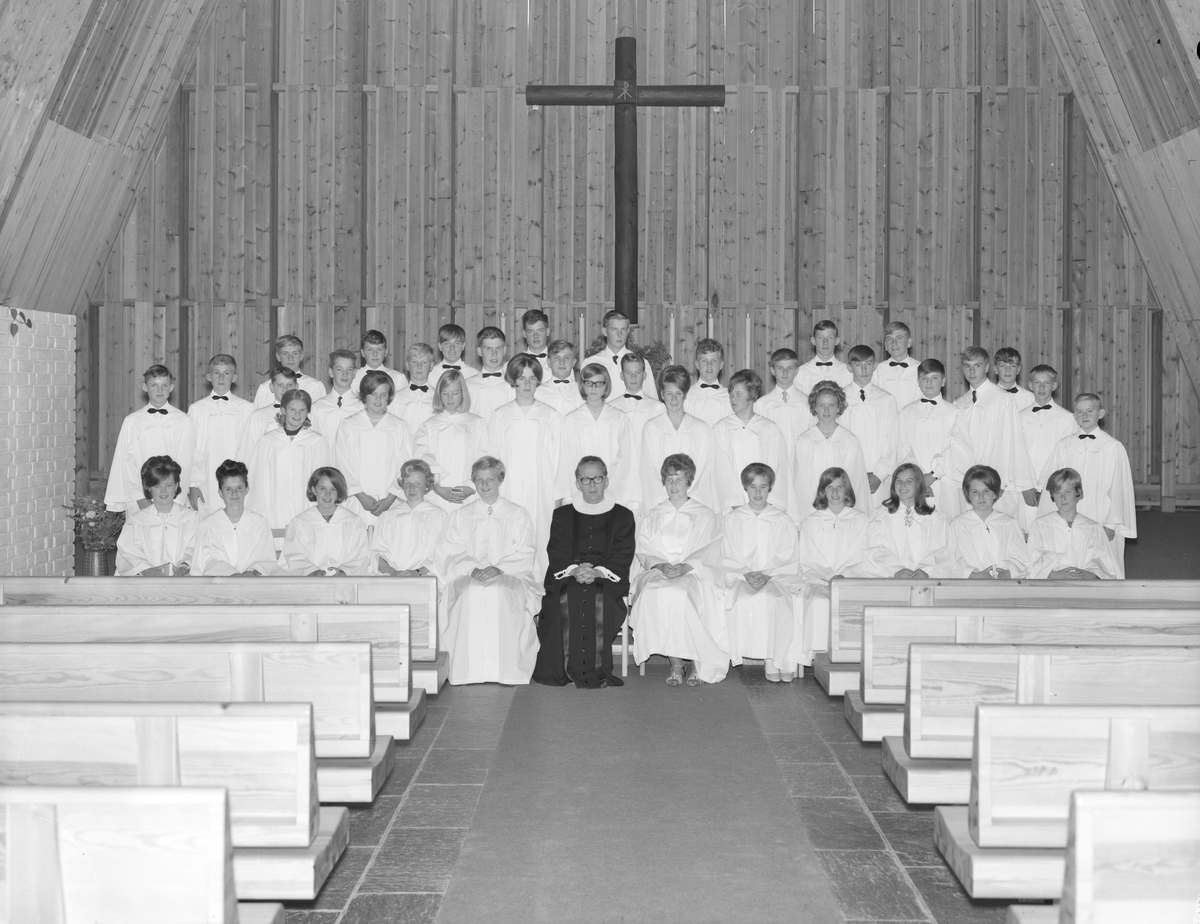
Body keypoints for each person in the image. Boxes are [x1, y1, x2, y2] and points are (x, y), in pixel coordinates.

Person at [533, 456, 637, 689]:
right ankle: (560, 671)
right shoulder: (562, 515)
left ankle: (596, 671)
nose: (592, 484)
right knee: (566, 594)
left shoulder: (623, 516)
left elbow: (623, 553)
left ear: (606, 481)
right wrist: (575, 570)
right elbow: (557, 551)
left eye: (597, 478)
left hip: (607, 579)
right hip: (567, 576)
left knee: (597, 595)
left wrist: (598, 573)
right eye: (585, 479)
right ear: (577, 483)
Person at [437, 457, 542, 685]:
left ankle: (507, 671)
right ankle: (467, 671)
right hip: (468, 574)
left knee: (501, 593)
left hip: (509, 574)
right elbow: (449, 551)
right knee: (470, 593)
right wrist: (472, 568)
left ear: (500, 479)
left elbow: (526, 551)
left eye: (490, 479)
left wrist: (500, 568)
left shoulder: (517, 514)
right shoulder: (461, 515)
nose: (485, 485)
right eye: (479, 480)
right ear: (473, 481)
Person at [629, 453, 728, 686]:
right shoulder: (654, 514)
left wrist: (685, 566)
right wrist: (660, 564)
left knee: (681, 595)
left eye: (679, 479)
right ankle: (675, 663)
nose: (674, 485)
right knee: (655, 593)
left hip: (693, 572)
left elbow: (709, 549)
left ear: (689, 481)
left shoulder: (703, 514)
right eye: (669, 479)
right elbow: (644, 547)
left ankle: (695, 661)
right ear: (663, 481)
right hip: (658, 571)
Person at [1035, 393, 1136, 576]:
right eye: (1079, 412)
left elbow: (1119, 488)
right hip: (1069, 514)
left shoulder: (1112, 447)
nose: (1085, 416)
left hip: (1101, 514)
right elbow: (1054, 485)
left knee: (1104, 564)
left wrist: (1111, 523)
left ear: (1101, 413)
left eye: (1090, 411)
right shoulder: (1065, 445)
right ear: (1074, 416)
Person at [722, 463, 802, 683]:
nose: (758, 493)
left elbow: (787, 554)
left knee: (775, 599)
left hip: (775, 576)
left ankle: (778, 660)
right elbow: (728, 552)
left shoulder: (781, 519)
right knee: (746, 598)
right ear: (745, 488)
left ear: (770, 488)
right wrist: (745, 573)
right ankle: (768, 657)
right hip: (742, 577)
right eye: (753, 487)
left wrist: (767, 574)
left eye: (763, 487)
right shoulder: (733, 519)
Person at [488, 354, 566, 578]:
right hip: (510, 489)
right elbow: (494, 458)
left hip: (541, 491)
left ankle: (542, 597)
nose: (527, 384)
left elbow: (559, 458)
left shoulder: (550, 415)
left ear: (539, 381)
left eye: (532, 379)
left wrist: (558, 496)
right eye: (521, 378)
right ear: (513, 380)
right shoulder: (501, 415)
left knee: (541, 541)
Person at [795, 468, 870, 665]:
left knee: (855, 605)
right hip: (820, 581)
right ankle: (820, 657)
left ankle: (852, 657)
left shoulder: (861, 520)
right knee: (819, 602)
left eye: (839, 487)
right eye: (830, 487)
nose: (835, 492)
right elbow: (808, 555)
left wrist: (845, 576)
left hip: (851, 581)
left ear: (847, 490)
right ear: (823, 491)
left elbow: (862, 553)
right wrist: (828, 576)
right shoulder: (812, 521)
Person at [952, 346, 1035, 520]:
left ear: (988, 368)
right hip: (968, 483)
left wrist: (1002, 481)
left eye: (977, 365)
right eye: (967, 366)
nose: (972, 371)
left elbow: (1013, 441)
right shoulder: (960, 404)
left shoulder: (1002, 398)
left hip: (998, 482)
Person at [104, 365, 197, 513]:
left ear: (171, 387)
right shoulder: (132, 421)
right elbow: (125, 462)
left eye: (164, 385)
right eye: (154, 385)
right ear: (145, 387)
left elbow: (186, 461)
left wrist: (175, 497)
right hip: (140, 498)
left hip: (172, 495)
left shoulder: (184, 421)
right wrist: (141, 497)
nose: (160, 390)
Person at [245, 389, 331, 532]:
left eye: (302, 410)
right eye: (292, 409)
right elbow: (256, 479)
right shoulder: (268, 441)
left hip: (305, 506)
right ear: (283, 410)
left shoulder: (317, 441)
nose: (297, 415)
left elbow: (324, 481)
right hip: (274, 508)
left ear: (308, 412)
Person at [335, 370, 413, 523]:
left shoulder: (400, 427)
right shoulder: (349, 425)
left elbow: (405, 465)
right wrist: (360, 496)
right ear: (364, 396)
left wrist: (389, 499)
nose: (378, 399)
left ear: (389, 397)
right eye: (373, 394)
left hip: (391, 502)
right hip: (356, 501)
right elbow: (342, 463)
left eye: (383, 395)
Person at [790, 380, 872, 524]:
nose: (826, 410)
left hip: (844, 512)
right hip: (814, 512)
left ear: (839, 407)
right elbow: (801, 481)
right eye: (821, 405)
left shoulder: (850, 440)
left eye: (831, 405)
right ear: (814, 407)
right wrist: (814, 512)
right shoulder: (804, 441)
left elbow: (856, 479)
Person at [896, 359, 969, 520]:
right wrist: (919, 478)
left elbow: (958, 450)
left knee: (946, 525)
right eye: (924, 378)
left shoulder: (954, 413)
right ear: (918, 382)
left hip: (946, 480)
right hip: (914, 482)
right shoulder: (907, 412)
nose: (929, 382)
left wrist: (934, 475)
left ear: (943, 381)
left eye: (934, 378)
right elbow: (903, 448)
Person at [639, 365, 717, 513]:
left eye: (678, 393)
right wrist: (667, 499)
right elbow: (649, 469)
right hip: (662, 503)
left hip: (694, 504)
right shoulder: (652, 428)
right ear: (662, 394)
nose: (674, 399)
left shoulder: (700, 429)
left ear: (685, 395)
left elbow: (703, 469)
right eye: (669, 393)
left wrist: (685, 499)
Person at [711, 369, 789, 514]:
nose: (733, 399)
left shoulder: (769, 429)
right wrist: (737, 505)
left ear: (752, 395)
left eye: (738, 394)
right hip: (735, 509)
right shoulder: (722, 428)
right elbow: (721, 470)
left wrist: (766, 503)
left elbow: (778, 467)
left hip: (765, 506)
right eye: (731, 395)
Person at [561, 362, 637, 509]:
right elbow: (567, 459)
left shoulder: (618, 418)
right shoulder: (571, 420)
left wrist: (612, 487)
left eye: (599, 383)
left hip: (613, 489)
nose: (594, 387)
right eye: (589, 383)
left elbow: (627, 459)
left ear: (606, 386)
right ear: (582, 386)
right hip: (580, 491)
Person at [187, 354, 254, 516]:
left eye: (227, 373)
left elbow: (251, 447)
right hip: (206, 478)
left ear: (234, 377)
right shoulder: (197, 409)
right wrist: (193, 484)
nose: (221, 377)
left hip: (238, 476)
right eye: (216, 373)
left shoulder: (246, 408)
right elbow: (190, 448)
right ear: (209, 377)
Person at [415, 370, 489, 512]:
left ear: (463, 393)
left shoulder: (477, 423)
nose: (450, 398)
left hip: (470, 495)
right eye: (445, 393)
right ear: (438, 394)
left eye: (455, 393)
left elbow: (483, 457)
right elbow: (422, 458)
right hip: (437, 495)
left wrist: (471, 487)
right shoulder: (429, 426)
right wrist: (437, 487)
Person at [862, 463, 952, 578]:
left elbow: (942, 551)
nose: (903, 485)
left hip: (924, 584)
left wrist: (926, 571)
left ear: (919, 485)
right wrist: (895, 570)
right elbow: (873, 549)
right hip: (891, 582)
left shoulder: (934, 518)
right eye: (898, 481)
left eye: (909, 481)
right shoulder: (881, 515)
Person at [1028, 468, 1119, 579]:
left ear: (1078, 493)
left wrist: (1092, 574)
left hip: (1082, 585)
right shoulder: (1041, 525)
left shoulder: (1092, 527)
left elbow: (1102, 559)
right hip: (1050, 584)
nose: (1063, 498)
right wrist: (1053, 574)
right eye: (1058, 493)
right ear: (1052, 496)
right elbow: (1032, 560)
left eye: (1068, 492)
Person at [276, 467, 370, 576]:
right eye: (322, 488)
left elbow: (359, 554)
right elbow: (293, 554)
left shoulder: (353, 522)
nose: (327, 494)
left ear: (339, 491)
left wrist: (344, 572)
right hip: (310, 581)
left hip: (344, 582)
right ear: (313, 490)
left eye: (333, 489)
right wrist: (311, 571)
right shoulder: (300, 522)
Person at [115, 455, 200, 575]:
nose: (163, 491)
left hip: (183, 584)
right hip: (146, 586)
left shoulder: (191, 518)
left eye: (169, 485)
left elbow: (196, 550)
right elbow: (128, 555)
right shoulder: (136, 522)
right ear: (148, 488)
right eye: (157, 486)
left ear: (176, 486)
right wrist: (148, 571)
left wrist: (183, 568)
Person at [192, 460, 277, 575]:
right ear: (220, 493)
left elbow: (265, 556)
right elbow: (209, 560)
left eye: (239, 488)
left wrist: (253, 572)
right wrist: (232, 575)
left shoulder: (259, 523)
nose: (234, 493)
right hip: (221, 585)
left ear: (246, 490)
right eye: (228, 489)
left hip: (253, 585)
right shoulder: (210, 525)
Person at [840, 344, 899, 504]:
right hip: (849, 476)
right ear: (850, 367)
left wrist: (879, 475)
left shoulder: (886, 399)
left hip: (878, 478)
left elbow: (892, 440)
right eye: (858, 365)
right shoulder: (840, 398)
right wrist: (847, 474)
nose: (864, 370)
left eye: (868, 364)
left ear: (875, 366)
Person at [949, 464, 1030, 579]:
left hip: (1004, 587)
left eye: (986, 491)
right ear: (967, 494)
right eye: (975, 492)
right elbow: (952, 560)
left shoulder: (1009, 523)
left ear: (995, 493)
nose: (981, 497)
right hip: (970, 586)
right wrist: (973, 575)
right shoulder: (957, 524)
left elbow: (1022, 559)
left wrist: (1009, 573)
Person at [1018, 365, 1078, 517]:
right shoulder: (1019, 417)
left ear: (1055, 385)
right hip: (1026, 488)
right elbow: (1017, 453)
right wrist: (1026, 485)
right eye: (1037, 383)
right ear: (1030, 385)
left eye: (1047, 383)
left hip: (1054, 488)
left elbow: (1064, 456)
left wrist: (1048, 486)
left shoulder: (1067, 418)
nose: (1042, 387)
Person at [371, 459, 448, 577]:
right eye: (407, 483)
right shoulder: (388, 516)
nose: (412, 488)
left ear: (427, 485)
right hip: (391, 578)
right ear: (402, 484)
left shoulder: (438, 516)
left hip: (425, 578)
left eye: (418, 483)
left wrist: (417, 572)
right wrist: (394, 573)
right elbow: (377, 553)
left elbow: (443, 553)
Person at [607, 353, 662, 515]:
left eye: (637, 372)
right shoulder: (612, 407)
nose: (633, 377)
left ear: (644, 375)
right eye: (628, 373)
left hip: (648, 476)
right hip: (622, 479)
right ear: (621, 376)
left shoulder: (656, 408)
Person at [754, 348, 816, 466]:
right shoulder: (762, 404)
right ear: (772, 370)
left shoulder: (807, 403)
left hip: (801, 463)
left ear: (797, 371)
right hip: (772, 463)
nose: (785, 372)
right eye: (780, 368)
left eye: (790, 368)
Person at [585, 309, 657, 398]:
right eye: (614, 329)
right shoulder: (591, 363)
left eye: (623, 329)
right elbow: (584, 399)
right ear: (604, 331)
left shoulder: (642, 363)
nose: (620, 334)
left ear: (628, 331)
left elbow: (652, 400)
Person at [309, 350, 363, 456]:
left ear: (354, 373)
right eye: (339, 369)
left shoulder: (361, 406)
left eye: (349, 370)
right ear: (330, 372)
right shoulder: (317, 408)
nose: (345, 374)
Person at [240, 365, 299, 459]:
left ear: (296, 387)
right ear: (272, 387)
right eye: (280, 385)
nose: (285, 389)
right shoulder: (258, 416)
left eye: (289, 385)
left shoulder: (306, 415)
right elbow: (248, 451)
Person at [252, 335, 326, 408]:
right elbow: (257, 417)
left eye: (295, 353)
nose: (290, 358)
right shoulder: (265, 388)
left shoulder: (315, 386)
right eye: (285, 354)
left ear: (301, 356)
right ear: (278, 357)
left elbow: (322, 417)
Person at [466, 326, 514, 421]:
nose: (494, 353)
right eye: (488, 349)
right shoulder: (468, 385)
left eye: (498, 348)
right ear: (480, 351)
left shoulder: (513, 385)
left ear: (504, 350)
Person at [872, 321, 921, 408]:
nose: (894, 343)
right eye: (889, 339)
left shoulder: (920, 368)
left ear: (909, 342)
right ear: (886, 346)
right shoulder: (877, 370)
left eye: (899, 338)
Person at [796, 320, 853, 393]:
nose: (825, 342)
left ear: (837, 341)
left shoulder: (847, 372)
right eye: (820, 337)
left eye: (830, 337)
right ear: (813, 340)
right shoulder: (801, 373)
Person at [391, 342, 438, 432]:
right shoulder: (396, 398)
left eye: (424, 362)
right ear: (407, 365)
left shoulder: (438, 398)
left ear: (431, 365)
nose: (419, 366)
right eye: (414, 362)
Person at [684, 338, 730, 427]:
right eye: (704, 361)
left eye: (714, 361)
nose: (709, 365)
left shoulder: (729, 396)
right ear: (697, 365)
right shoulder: (687, 395)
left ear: (721, 365)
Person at [351, 328, 407, 394]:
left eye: (379, 349)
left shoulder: (398, 378)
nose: (375, 354)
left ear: (385, 352)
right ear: (363, 353)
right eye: (369, 349)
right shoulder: (353, 377)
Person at [536, 340, 583, 415]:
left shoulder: (582, 391)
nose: (562, 362)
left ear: (573, 362)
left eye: (567, 358)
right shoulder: (538, 392)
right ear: (548, 362)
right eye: (556, 358)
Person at [994, 347, 1035, 412]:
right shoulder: (987, 396)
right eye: (1002, 365)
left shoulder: (1029, 398)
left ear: (1018, 370)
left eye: (1013, 366)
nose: (1008, 370)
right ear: (996, 369)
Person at [520, 308, 552, 377]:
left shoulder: (561, 364)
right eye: (530, 331)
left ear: (548, 331)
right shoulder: (515, 363)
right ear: (524, 333)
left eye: (540, 330)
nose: (535, 336)